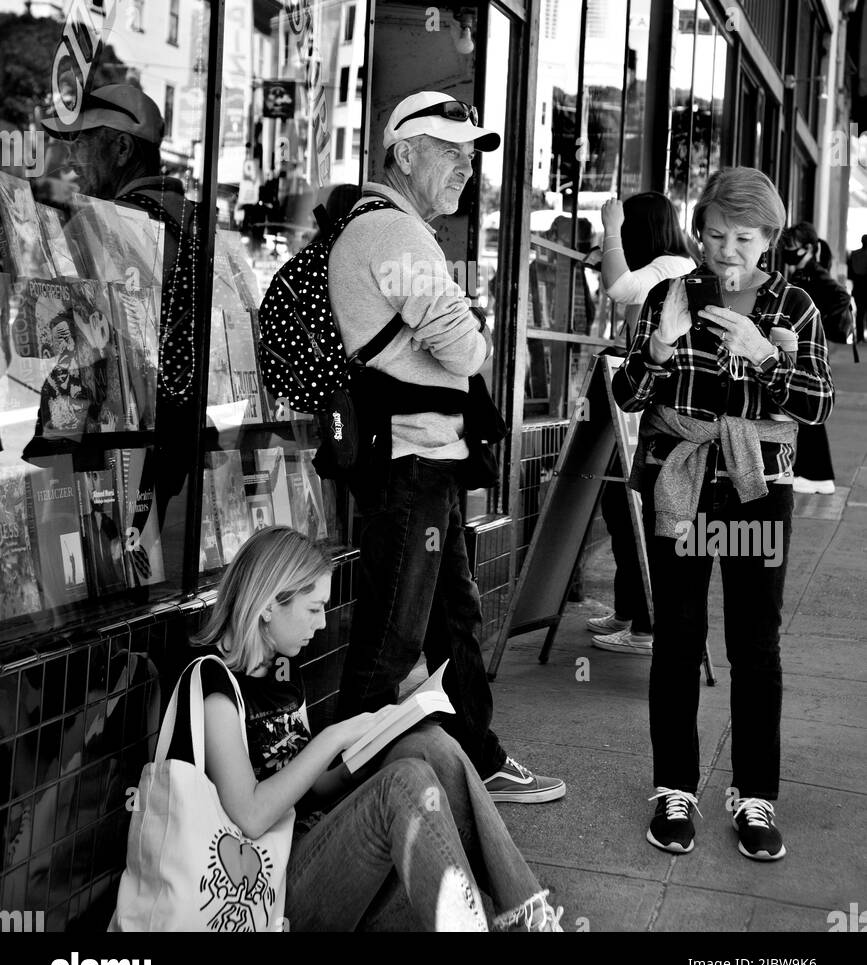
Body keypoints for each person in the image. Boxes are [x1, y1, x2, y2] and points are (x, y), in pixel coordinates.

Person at [329, 90, 565, 804]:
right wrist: (472, 329)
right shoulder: (391, 234)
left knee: (452, 619)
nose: (465, 167)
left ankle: (478, 756)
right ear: (403, 153)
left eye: (470, 155)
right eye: (448, 151)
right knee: (390, 639)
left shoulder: (399, 229)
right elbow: (464, 348)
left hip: (425, 461)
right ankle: (340, 798)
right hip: (409, 466)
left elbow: (449, 341)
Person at [182, 526, 563, 931]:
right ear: (269, 605)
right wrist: (335, 737)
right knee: (405, 780)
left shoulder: (281, 667)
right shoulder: (215, 686)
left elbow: (310, 789)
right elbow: (253, 816)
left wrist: (376, 745)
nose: (323, 623)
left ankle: (530, 917)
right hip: (264, 890)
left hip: (319, 845)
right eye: (313, 609)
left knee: (427, 744)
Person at [612, 168, 834, 862]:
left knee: (753, 644)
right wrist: (656, 347)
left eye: (741, 238)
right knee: (676, 639)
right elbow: (625, 394)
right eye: (712, 235)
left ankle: (753, 795)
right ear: (697, 233)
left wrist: (764, 357)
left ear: (767, 240)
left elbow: (816, 405)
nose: (725, 252)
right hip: (681, 480)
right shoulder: (664, 297)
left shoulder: (793, 306)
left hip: (753, 486)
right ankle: (673, 788)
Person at [39, 83, 199, 520]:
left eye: (82, 140)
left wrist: (56, 451)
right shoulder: (195, 223)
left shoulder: (103, 224)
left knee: (101, 573)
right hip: (172, 439)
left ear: (122, 147)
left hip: (107, 445)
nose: (70, 156)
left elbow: (77, 352)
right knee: (139, 563)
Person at [589, 193, 697, 656]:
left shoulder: (672, 266)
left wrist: (611, 225)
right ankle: (630, 610)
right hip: (639, 409)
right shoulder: (662, 267)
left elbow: (618, 288)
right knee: (620, 509)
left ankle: (646, 627)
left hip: (658, 418)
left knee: (639, 516)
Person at [780, 221, 852, 494]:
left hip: (807, 350)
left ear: (809, 248)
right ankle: (812, 473)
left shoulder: (814, 273)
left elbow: (840, 296)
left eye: (792, 248)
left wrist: (815, 323)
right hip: (799, 349)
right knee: (805, 411)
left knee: (808, 411)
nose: (788, 252)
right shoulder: (803, 273)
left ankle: (816, 474)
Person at [847, 234, 867, 342]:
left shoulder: (854, 255)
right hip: (862, 288)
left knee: (860, 313)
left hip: (858, 288)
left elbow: (850, 274)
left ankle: (860, 337)